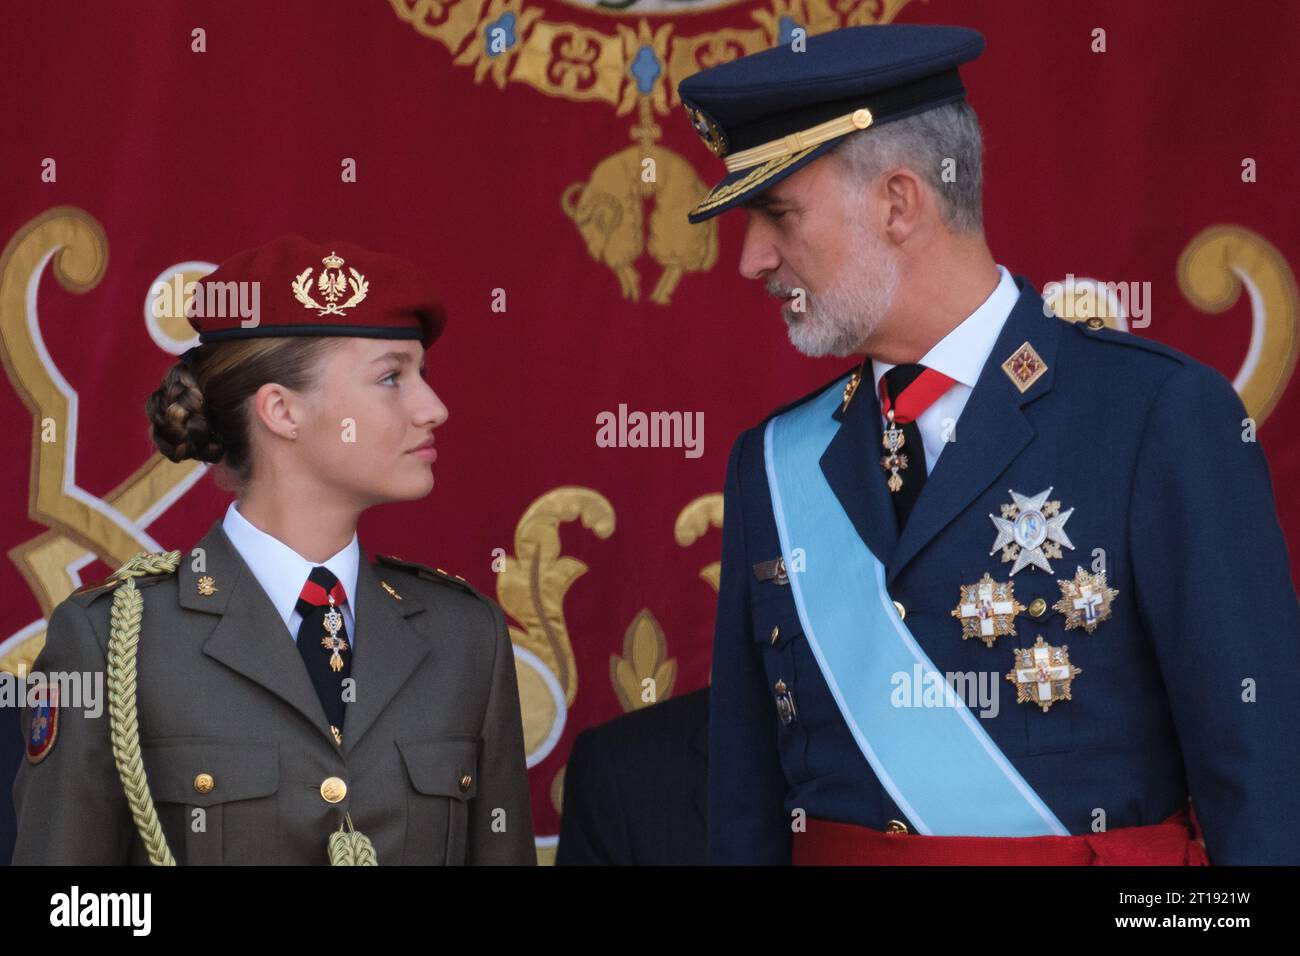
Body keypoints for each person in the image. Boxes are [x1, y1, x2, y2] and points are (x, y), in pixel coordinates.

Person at [679, 24, 1300, 865]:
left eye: (777, 213)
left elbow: (1259, 781)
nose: (752, 258)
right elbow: (746, 812)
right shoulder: (772, 463)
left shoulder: (1157, 416)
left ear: (901, 202)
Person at [12, 235, 536, 865]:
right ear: (282, 411)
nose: (434, 408)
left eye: (421, 374)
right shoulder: (115, 643)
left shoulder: (465, 635)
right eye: (392, 377)